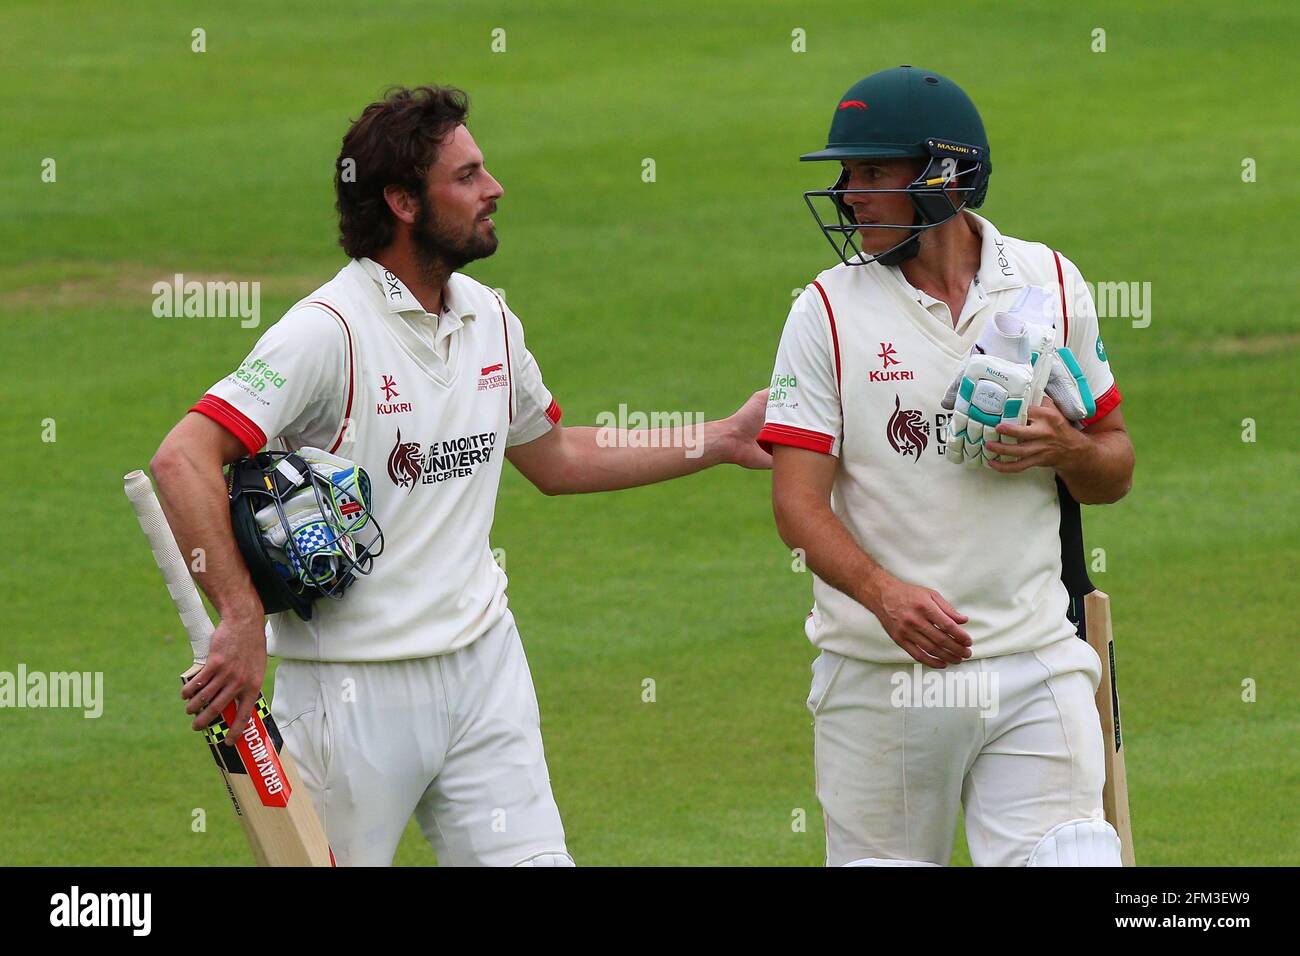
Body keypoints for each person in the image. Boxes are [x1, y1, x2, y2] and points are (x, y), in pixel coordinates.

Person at [150, 85, 769, 866]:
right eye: (468, 176)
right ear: (404, 202)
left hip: (485, 675)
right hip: (351, 696)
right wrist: (240, 616)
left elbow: (556, 456)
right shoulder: (326, 332)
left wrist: (717, 438)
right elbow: (183, 457)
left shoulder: (489, 317)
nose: (495, 188)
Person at [759, 66, 1134, 867]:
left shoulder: (1050, 281)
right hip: (880, 678)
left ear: (946, 175)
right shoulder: (823, 310)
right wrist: (883, 594)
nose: (848, 193)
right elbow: (798, 505)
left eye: (870, 172)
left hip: (1035, 661)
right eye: (845, 173)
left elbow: (1116, 467)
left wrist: (1067, 449)